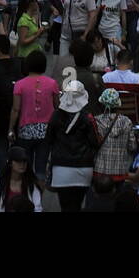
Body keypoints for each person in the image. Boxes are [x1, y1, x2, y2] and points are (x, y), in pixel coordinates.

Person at [45, 77, 99, 212]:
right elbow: (94, 142)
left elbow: (49, 139)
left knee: (65, 206)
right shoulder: (87, 118)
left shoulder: (56, 116)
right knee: (77, 204)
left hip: (61, 169)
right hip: (83, 167)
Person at [9, 49, 59, 183]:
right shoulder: (52, 83)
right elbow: (57, 106)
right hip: (46, 131)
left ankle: (28, 196)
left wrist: (10, 129)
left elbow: (15, 109)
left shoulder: (19, 84)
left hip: (25, 130)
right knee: (41, 168)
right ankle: (39, 201)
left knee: (25, 168)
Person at [0, 143, 42, 211]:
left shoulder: (32, 184)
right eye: (18, 161)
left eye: (24, 161)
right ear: (10, 163)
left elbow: (38, 208)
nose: (22, 164)